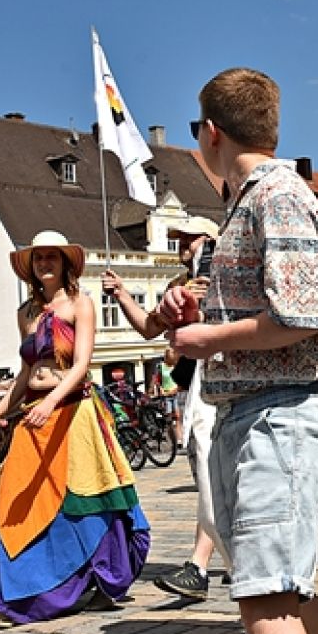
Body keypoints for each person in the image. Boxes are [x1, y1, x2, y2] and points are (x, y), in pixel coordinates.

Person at [157, 68, 318, 634]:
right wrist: (198, 308)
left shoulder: (275, 194)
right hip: (255, 411)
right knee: (279, 587)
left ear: (210, 132)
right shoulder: (257, 197)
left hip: (279, 413)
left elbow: (303, 315)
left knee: (266, 602)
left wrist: (207, 336)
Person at [0, 231, 150, 629]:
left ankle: (89, 579)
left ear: (64, 264)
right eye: (38, 258)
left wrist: (51, 401)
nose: (44, 263)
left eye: (51, 257)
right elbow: (25, 373)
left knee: (82, 504)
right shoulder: (26, 312)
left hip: (74, 413)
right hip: (33, 414)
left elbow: (81, 365)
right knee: (13, 501)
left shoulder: (81, 303)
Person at [103, 217, 231, 609]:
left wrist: (209, 303)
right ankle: (214, 564)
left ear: (209, 241)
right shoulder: (179, 285)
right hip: (199, 387)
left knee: (219, 476)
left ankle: (216, 565)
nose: (183, 246)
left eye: (189, 240)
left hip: (231, 382)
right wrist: (121, 293)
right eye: (180, 240)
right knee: (209, 476)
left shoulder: (229, 271)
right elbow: (148, 327)